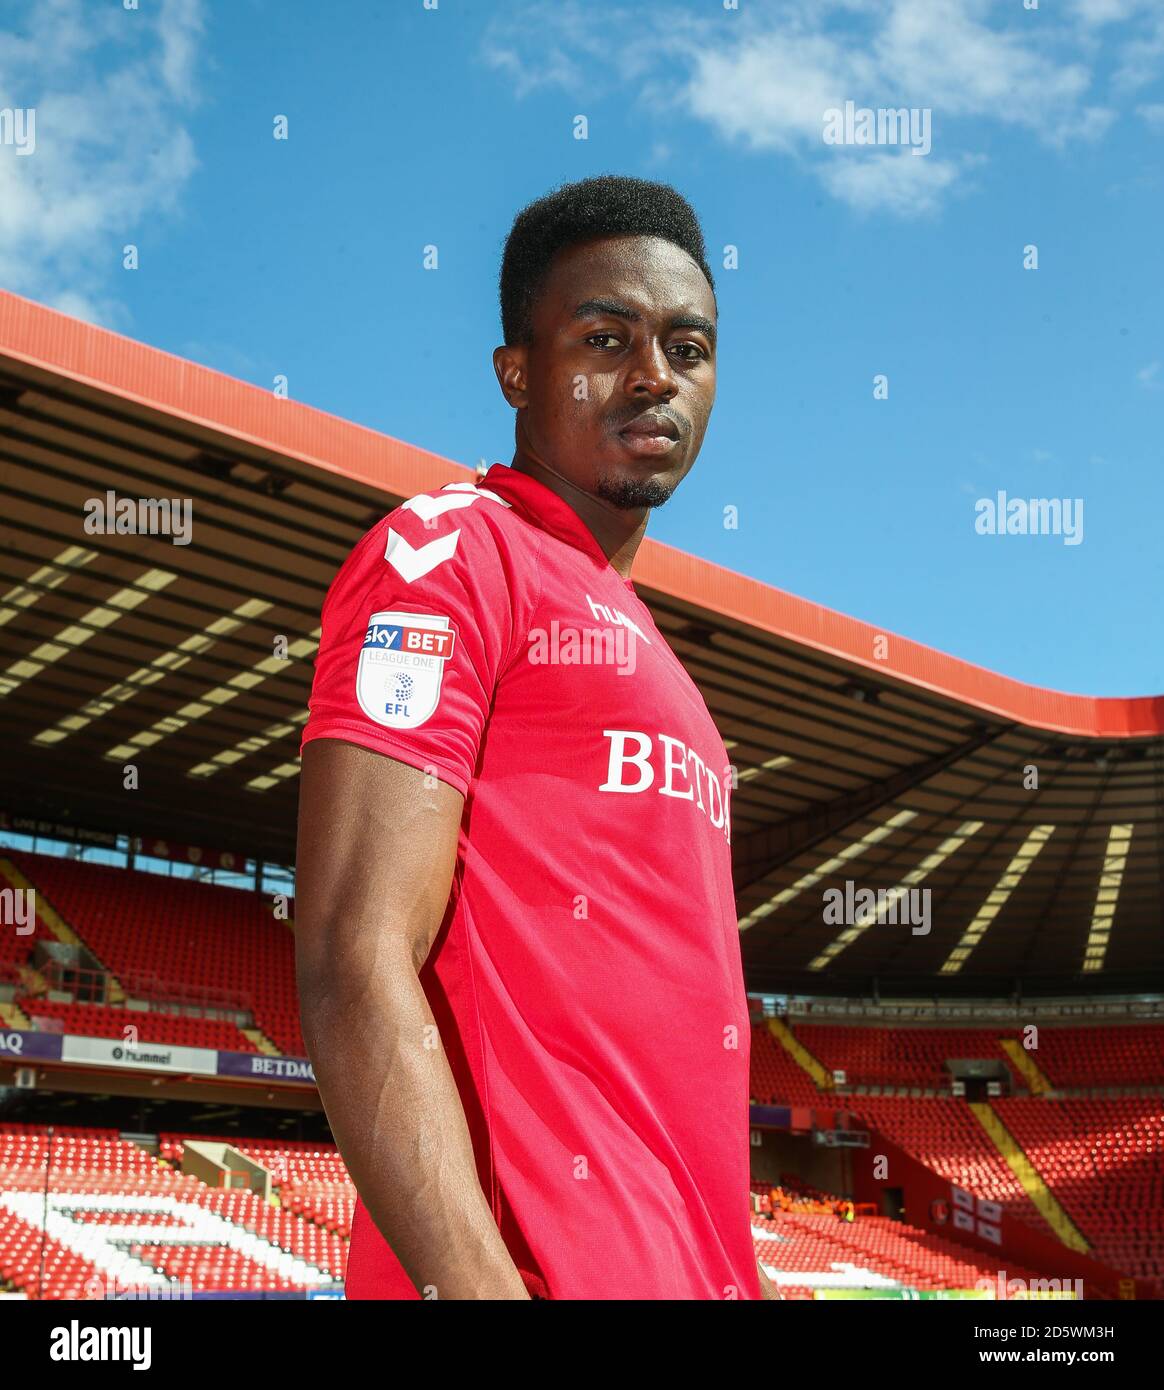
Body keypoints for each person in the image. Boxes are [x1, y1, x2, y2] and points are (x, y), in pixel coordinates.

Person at [295, 174, 774, 1300]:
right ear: (516, 371)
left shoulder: (657, 658)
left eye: (689, 346)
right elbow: (354, 952)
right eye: (606, 337)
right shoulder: (448, 552)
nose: (656, 374)